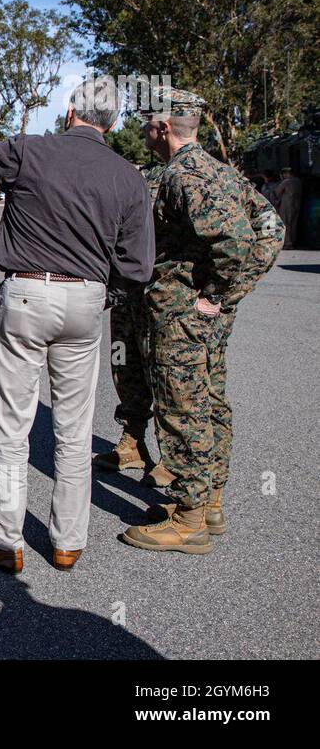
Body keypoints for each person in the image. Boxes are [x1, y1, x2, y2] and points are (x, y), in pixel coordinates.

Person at [0, 80, 153, 574]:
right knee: (74, 427)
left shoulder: (32, 152)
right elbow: (138, 266)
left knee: (12, 424)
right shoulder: (129, 177)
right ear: (114, 123)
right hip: (86, 300)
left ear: (69, 112)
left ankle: (5, 540)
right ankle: (67, 541)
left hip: (27, 293)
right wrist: (103, 294)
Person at [121, 89, 282, 553]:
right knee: (210, 400)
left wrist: (217, 294)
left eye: (149, 122)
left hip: (180, 314)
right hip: (202, 316)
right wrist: (228, 300)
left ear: (165, 127)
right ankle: (209, 500)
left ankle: (187, 518)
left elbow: (235, 245)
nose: (144, 129)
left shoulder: (183, 175)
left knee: (181, 408)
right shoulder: (221, 171)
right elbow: (271, 227)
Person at [92, 164, 175, 488]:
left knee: (169, 378)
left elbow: (265, 229)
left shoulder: (190, 176)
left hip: (167, 301)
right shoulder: (139, 176)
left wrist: (221, 294)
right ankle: (132, 442)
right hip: (127, 299)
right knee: (123, 366)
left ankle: (175, 458)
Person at [275, 167, 303, 249]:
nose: (283, 176)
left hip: (287, 204)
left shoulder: (286, 182)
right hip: (297, 204)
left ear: (287, 173)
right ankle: (293, 241)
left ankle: (288, 243)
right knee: (294, 223)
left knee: (286, 223)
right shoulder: (298, 181)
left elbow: (277, 192)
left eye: (284, 174)